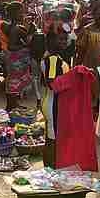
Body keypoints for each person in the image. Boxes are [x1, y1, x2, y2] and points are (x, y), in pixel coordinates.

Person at [40, 32, 72, 168]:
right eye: (61, 39)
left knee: (52, 136)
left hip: (52, 101)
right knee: (52, 139)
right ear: (51, 40)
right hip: (53, 103)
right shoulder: (53, 60)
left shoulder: (53, 57)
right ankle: (50, 169)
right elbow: (52, 83)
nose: (65, 42)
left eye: (66, 39)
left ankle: (51, 168)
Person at [1, 2, 33, 111]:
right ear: (13, 14)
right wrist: (24, 47)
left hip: (13, 59)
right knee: (14, 83)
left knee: (12, 83)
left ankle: (13, 104)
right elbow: (11, 46)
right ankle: (11, 106)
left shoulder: (11, 25)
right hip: (15, 60)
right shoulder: (15, 28)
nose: (22, 14)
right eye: (20, 13)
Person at [75, 3, 100, 69]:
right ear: (93, 15)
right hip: (89, 66)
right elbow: (80, 52)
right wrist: (76, 67)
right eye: (98, 14)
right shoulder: (86, 30)